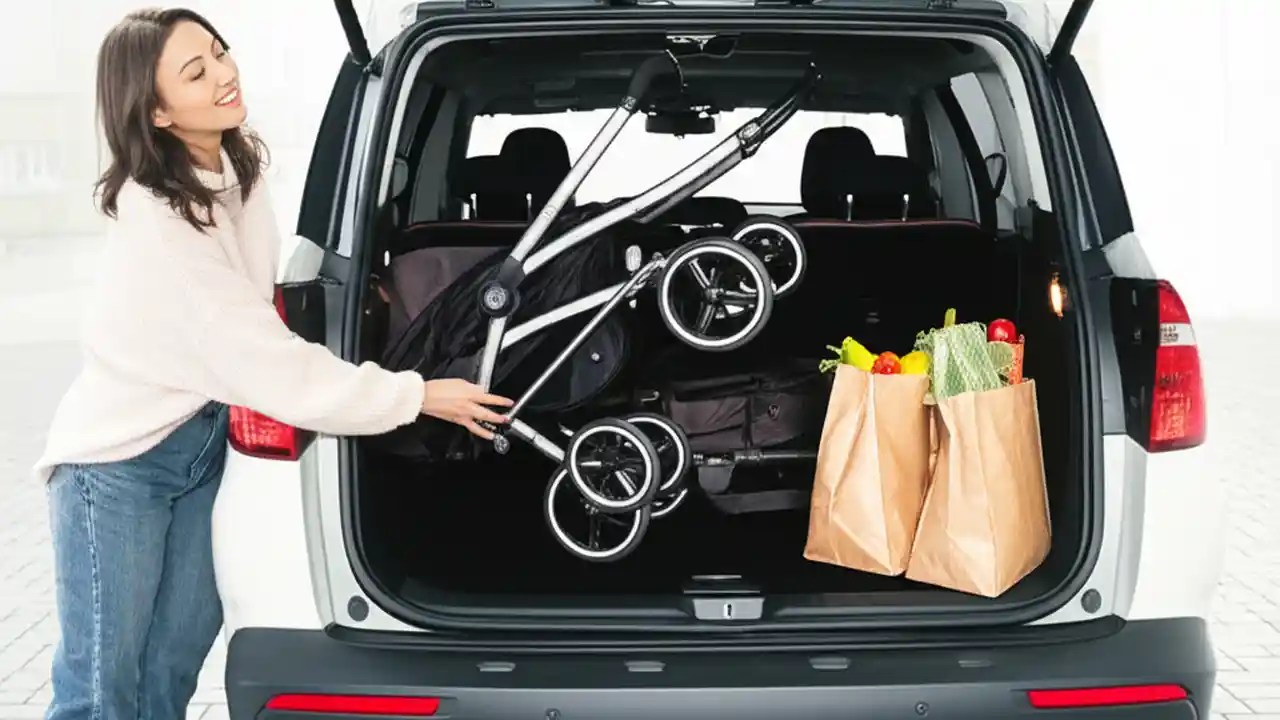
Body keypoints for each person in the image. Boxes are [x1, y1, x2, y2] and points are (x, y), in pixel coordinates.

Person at [32, 8, 512, 719]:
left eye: (220, 53)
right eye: (196, 72)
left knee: (174, 658)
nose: (225, 73)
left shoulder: (233, 169)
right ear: (156, 111)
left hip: (198, 438)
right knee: (102, 684)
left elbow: (252, 313)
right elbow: (265, 361)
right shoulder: (158, 222)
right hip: (118, 466)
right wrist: (416, 395)